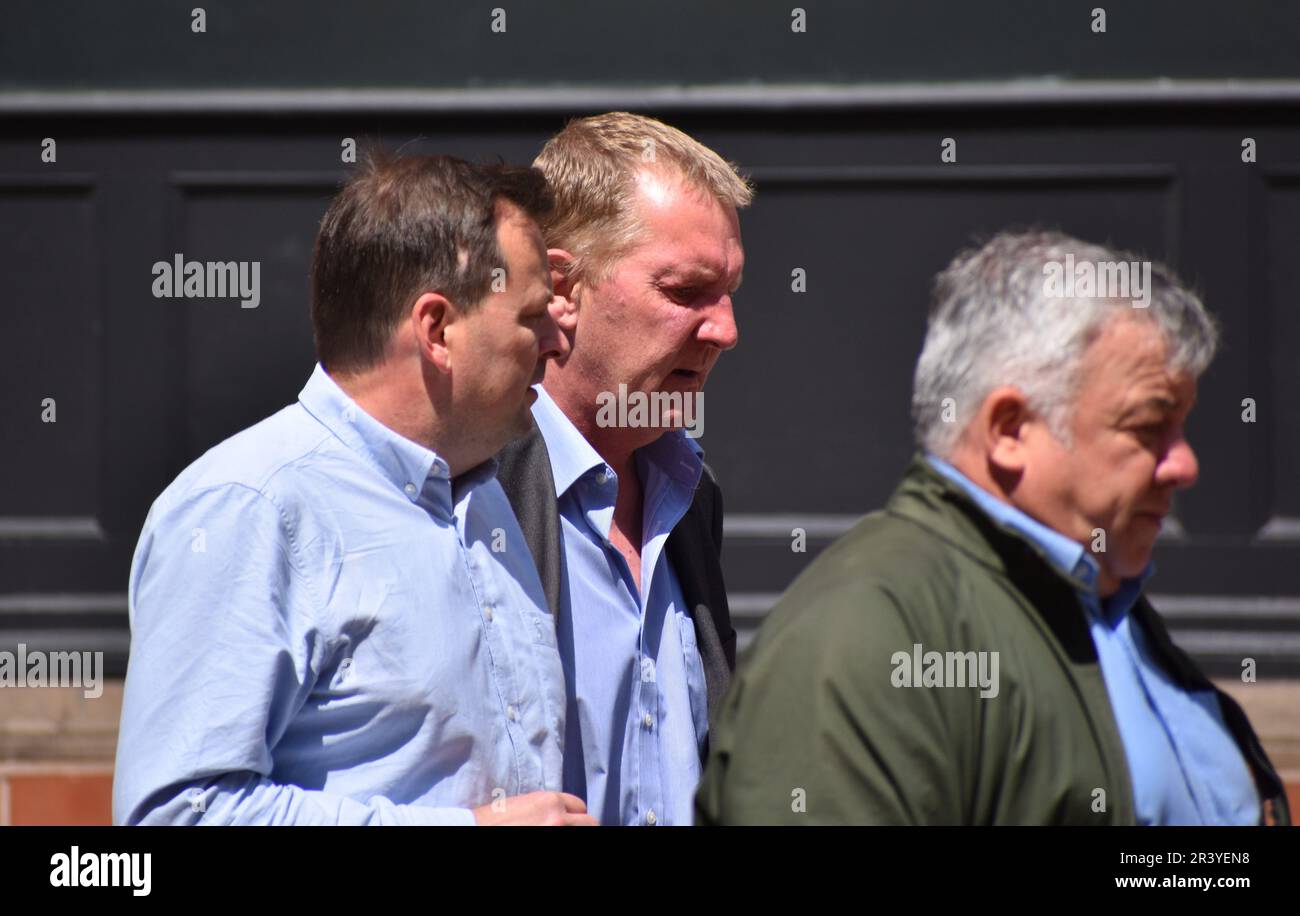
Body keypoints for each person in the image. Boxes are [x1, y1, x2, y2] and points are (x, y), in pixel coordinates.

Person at [695, 229, 1290, 826]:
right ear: (1008, 429)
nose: (1184, 465)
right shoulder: (865, 633)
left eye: (1182, 429)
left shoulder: (1100, 601)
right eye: (1146, 427)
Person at [114, 151, 595, 826]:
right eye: (532, 316)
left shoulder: (478, 493)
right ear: (437, 331)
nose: (559, 340)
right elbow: (176, 816)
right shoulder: (249, 508)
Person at [495, 112, 751, 825]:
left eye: (729, 291)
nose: (725, 330)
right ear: (561, 289)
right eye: (684, 291)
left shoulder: (689, 494)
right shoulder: (462, 493)